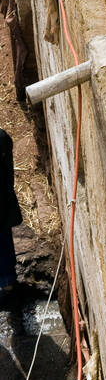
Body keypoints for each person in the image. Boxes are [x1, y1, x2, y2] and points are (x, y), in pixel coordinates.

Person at [0, 128, 23, 298]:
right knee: (3, 239)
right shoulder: (2, 137)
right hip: (2, 201)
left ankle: (7, 282)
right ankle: (8, 283)